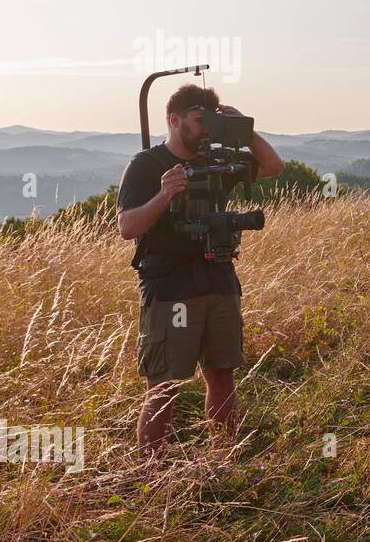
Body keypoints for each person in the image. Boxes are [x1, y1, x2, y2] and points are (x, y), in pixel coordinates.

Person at [117, 83, 284, 452]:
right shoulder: (146, 165)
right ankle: (152, 477)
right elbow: (127, 227)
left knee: (222, 375)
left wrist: (244, 129)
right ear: (174, 120)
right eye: (198, 119)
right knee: (165, 387)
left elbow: (275, 166)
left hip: (218, 277)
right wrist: (164, 196)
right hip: (171, 287)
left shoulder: (218, 160)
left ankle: (222, 461)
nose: (205, 127)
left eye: (210, 119)